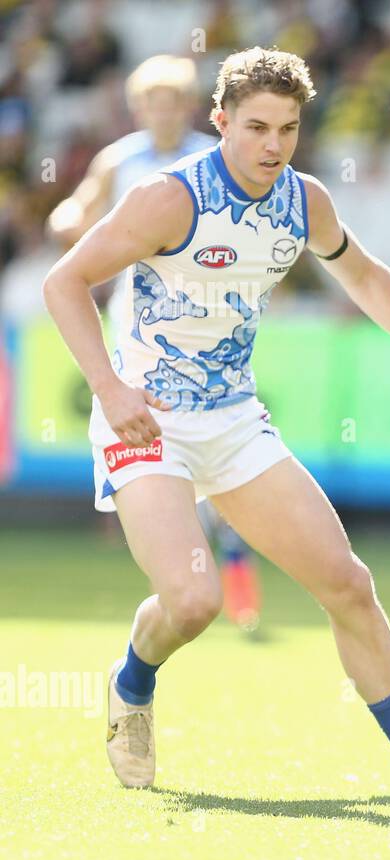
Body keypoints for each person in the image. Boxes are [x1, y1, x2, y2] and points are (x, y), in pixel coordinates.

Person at [42, 47, 390, 798]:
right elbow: (63, 282)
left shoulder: (304, 199)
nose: (272, 145)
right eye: (256, 127)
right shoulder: (168, 198)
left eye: (288, 129)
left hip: (234, 423)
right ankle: (131, 685)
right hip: (146, 421)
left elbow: (364, 274)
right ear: (220, 122)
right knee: (195, 603)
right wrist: (110, 389)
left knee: (349, 583)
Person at [47, 54, 265, 637]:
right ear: (138, 107)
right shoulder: (119, 160)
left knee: (223, 456)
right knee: (153, 444)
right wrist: (69, 220)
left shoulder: (212, 159)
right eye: (152, 101)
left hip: (210, 326)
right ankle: (175, 565)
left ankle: (236, 580)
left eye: (173, 100)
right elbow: (77, 216)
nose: (162, 111)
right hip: (140, 326)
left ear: (189, 106)